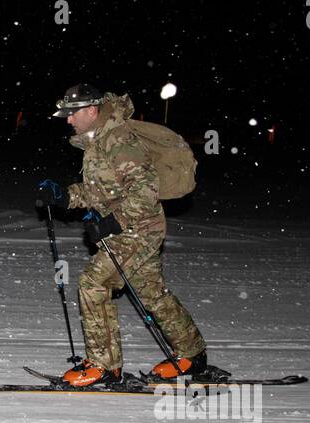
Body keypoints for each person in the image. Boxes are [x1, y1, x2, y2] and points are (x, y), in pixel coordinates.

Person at [38, 83, 208, 386]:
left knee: (94, 283)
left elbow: (145, 191)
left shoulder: (118, 140)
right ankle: (192, 355)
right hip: (134, 228)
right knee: (151, 292)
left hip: (137, 230)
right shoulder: (99, 139)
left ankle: (104, 365)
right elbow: (102, 189)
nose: (67, 120)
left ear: (91, 110)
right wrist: (65, 196)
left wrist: (111, 223)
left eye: (71, 114)